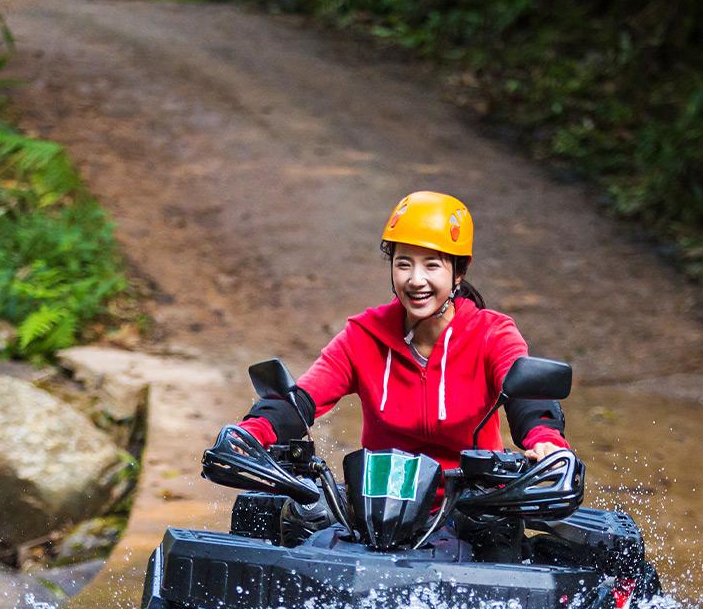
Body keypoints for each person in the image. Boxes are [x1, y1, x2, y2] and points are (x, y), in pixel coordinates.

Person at [233, 190, 568, 467]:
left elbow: (528, 398)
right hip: (375, 510)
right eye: (403, 263)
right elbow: (304, 398)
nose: (415, 280)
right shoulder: (363, 334)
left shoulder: (492, 334)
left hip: (475, 510)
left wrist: (547, 442)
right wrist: (253, 430)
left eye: (432, 265)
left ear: (459, 271)